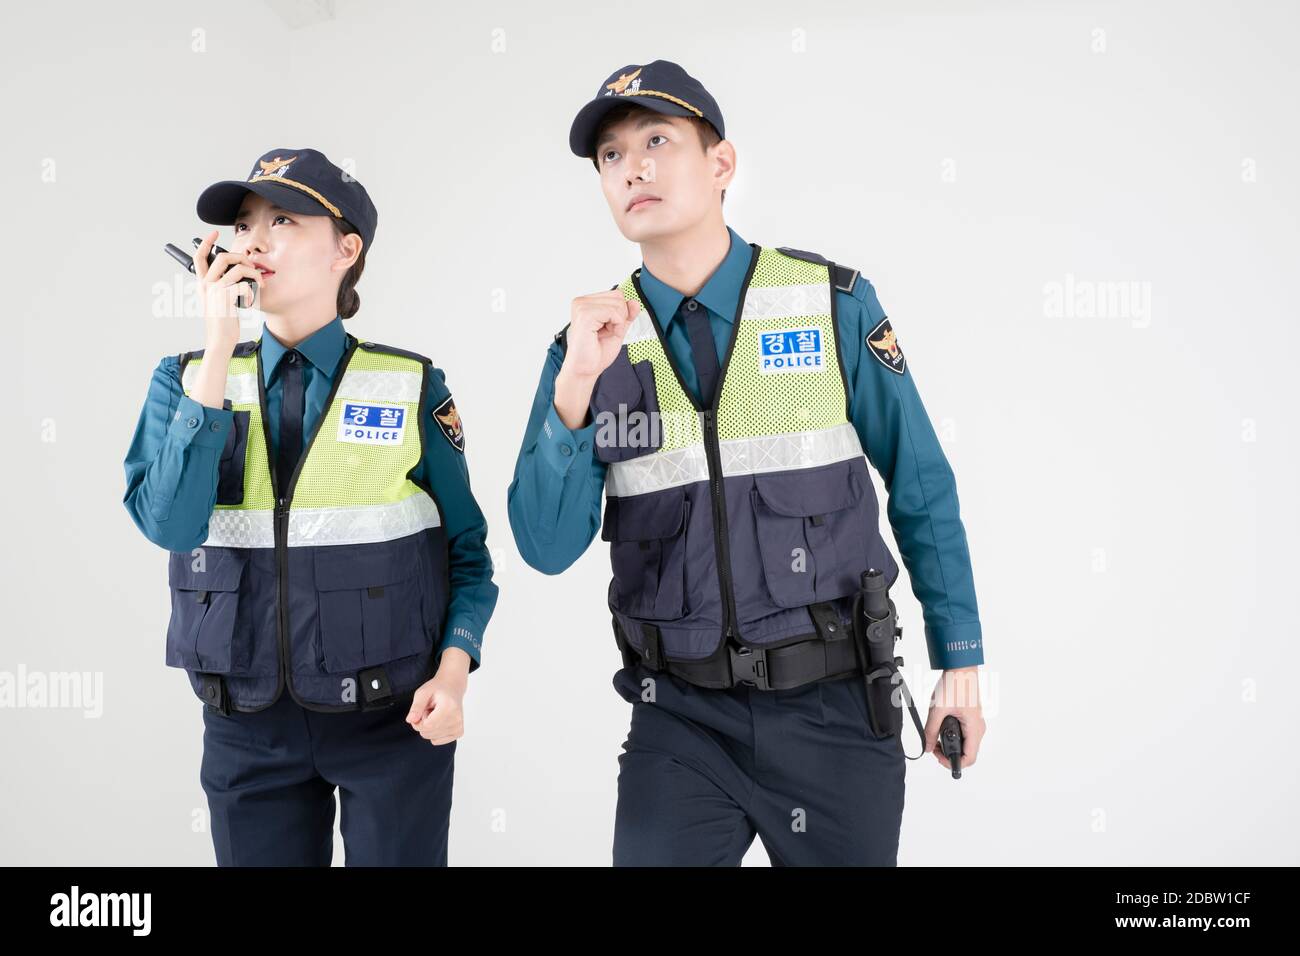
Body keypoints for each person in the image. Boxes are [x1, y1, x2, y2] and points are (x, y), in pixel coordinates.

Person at [507, 61, 986, 866]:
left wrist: (961, 661)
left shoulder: (828, 302)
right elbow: (546, 548)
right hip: (679, 722)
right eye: (612, 157)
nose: (635, 168)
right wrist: (576, 390)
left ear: (721, 164)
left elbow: (921, 481)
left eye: (657, 140)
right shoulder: (588, 346)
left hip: (836, 711)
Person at [123, 147, 498, 866]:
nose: (253, 240)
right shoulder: (187, 378)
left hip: (394, 724)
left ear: (346, 249)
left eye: (284, 220)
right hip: (247, 732)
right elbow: (170, 524)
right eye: (243, 224)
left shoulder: (410, 385)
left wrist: (454, 674)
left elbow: (468, 555)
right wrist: (218, 340)